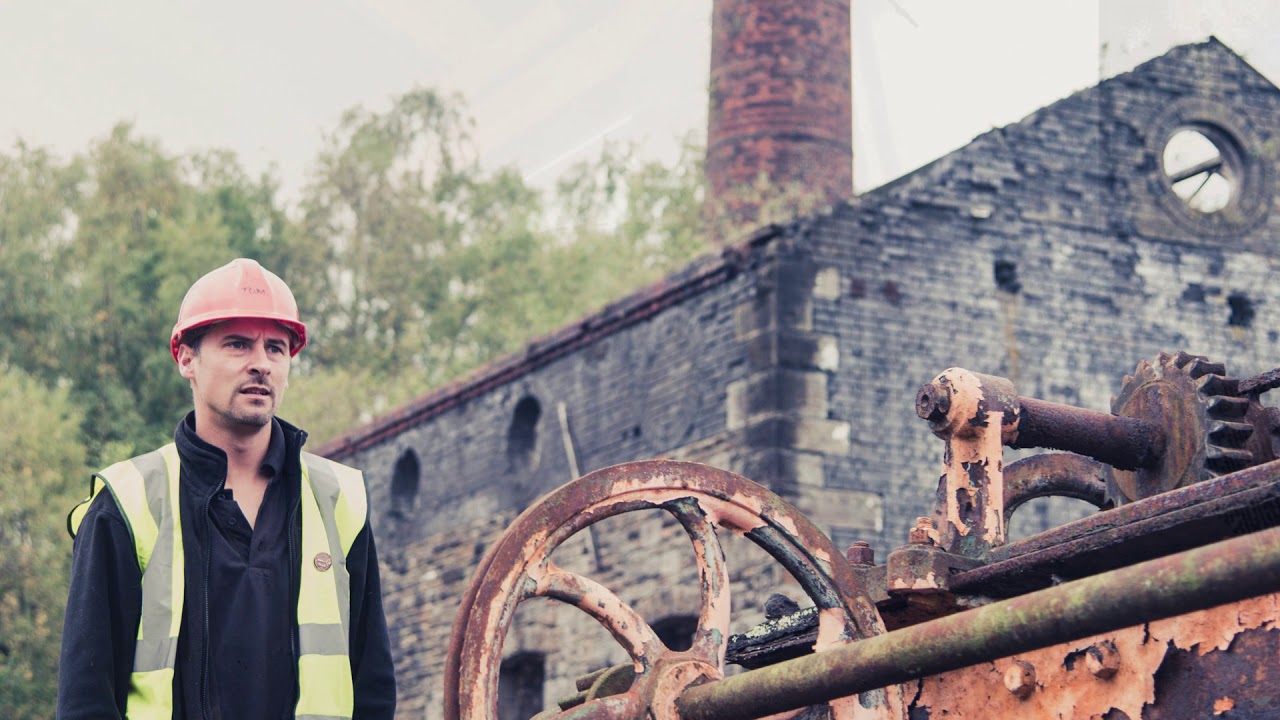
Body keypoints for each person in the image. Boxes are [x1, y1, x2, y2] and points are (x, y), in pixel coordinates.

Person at [58, 258, 396, 720]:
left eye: (276, 348)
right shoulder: (126, 503)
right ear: (186, 359)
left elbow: (373, 687)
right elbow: (86, 700)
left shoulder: (338, 499)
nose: (261, 364)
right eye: (238, 344)